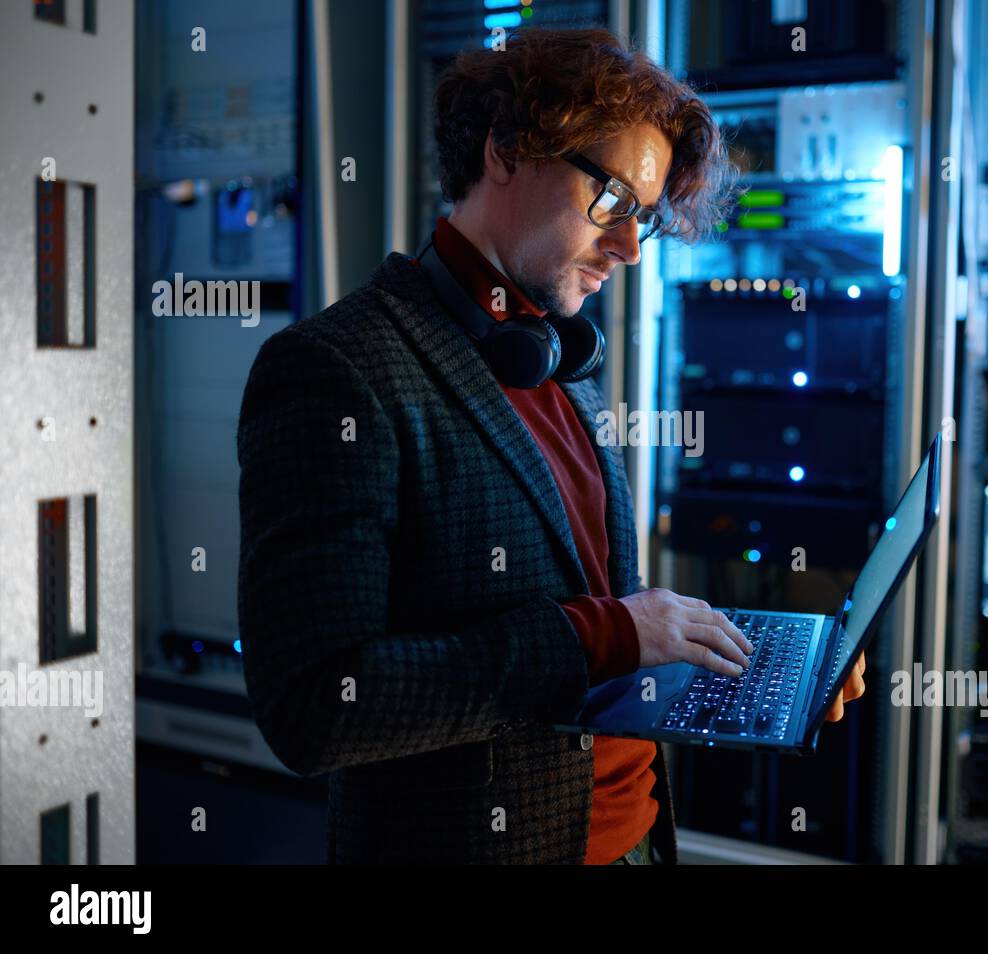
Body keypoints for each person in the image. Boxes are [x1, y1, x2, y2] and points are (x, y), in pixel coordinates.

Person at [237, 25, 867, 865]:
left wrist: (748, 664)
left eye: (641, 217)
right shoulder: (336, 370)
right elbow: (316, 708)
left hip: (633, 838)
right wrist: (594, 636)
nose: (631, 247)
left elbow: (605, 618)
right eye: (611, 200)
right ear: (506, 150)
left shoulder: (549, 353)